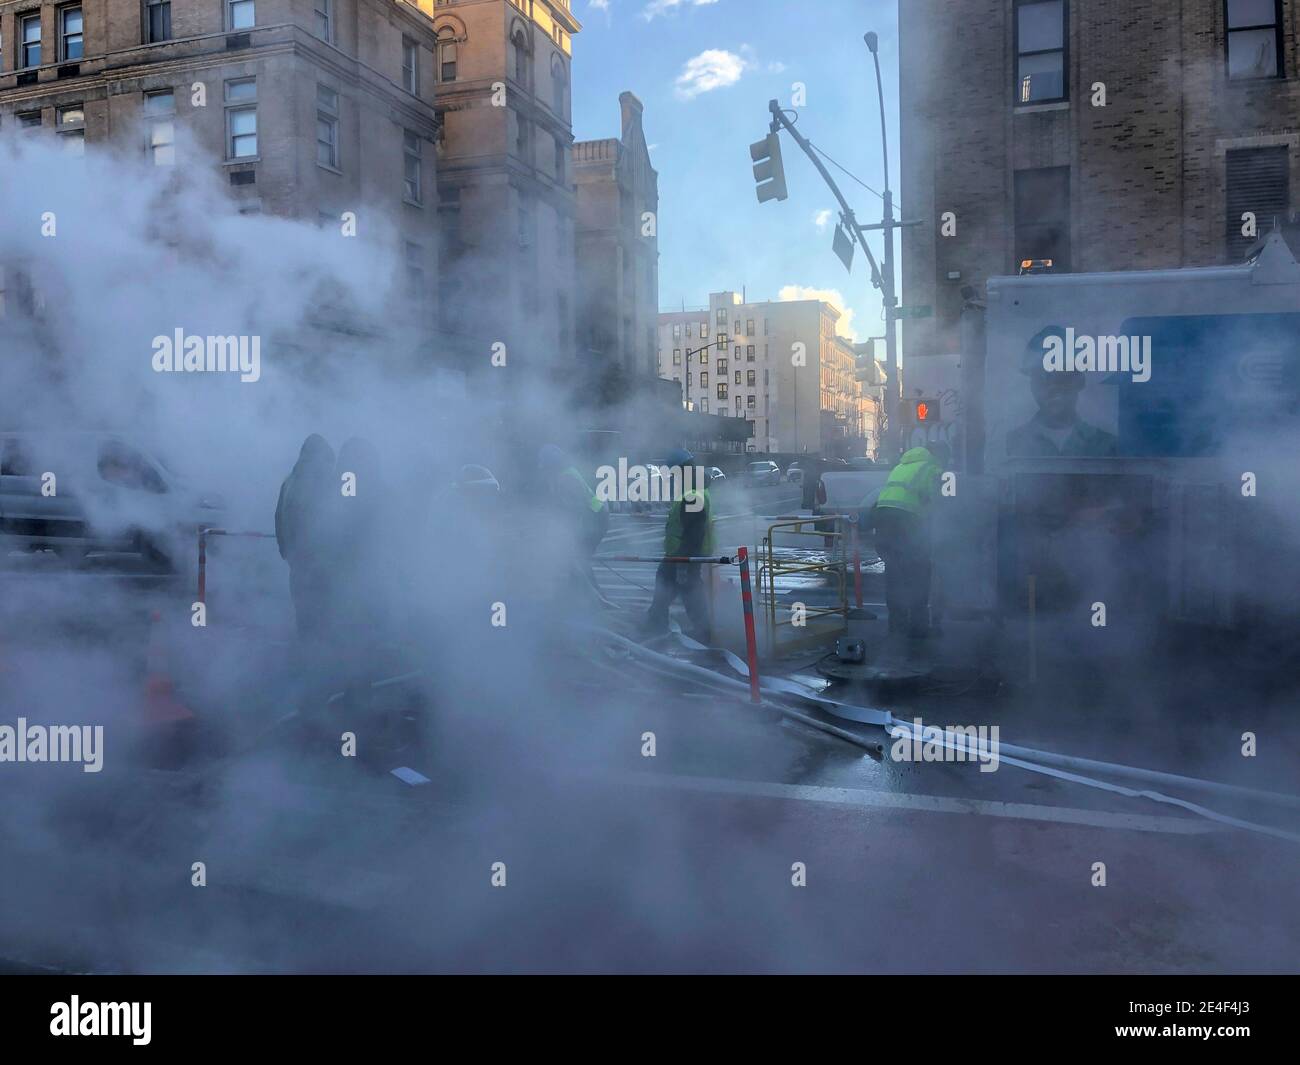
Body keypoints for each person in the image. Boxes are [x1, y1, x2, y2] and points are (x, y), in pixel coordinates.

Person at [868, 443, 944, 639]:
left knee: (895, 575)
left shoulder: (901, 466)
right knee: (918, 574)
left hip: (883, 522)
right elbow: (941, 501)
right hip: (905, 524)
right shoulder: (932, 469)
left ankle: (896, 625)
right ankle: (918, 629)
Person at [643, 449, 715, 642]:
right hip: (681, 554)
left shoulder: (692, 494)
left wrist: (684, 561)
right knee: (677, 587)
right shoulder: (695, 489)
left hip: (683, 554)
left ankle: (701, 631)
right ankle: (658, 622)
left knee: (686, 589)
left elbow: (694, 533)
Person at [274, 434, 335, 637]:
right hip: (317, 565)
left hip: (297, 564)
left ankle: (303, 660)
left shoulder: (289, 481)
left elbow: (278, 519)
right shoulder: (317, 484)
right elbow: (329, 522)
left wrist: (286, 553)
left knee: (304, 620)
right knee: (323, 624)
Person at [538, 443, 610, 600]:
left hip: (596, 519)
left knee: (579, 559)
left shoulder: (566, 479)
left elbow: (577, 510)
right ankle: (577, 595)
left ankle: (597, 598)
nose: (544, 471)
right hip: (595, 517)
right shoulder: (563, 475)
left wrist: (571, 534)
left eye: (546, 466)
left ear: (552, 464)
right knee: (575, 559)